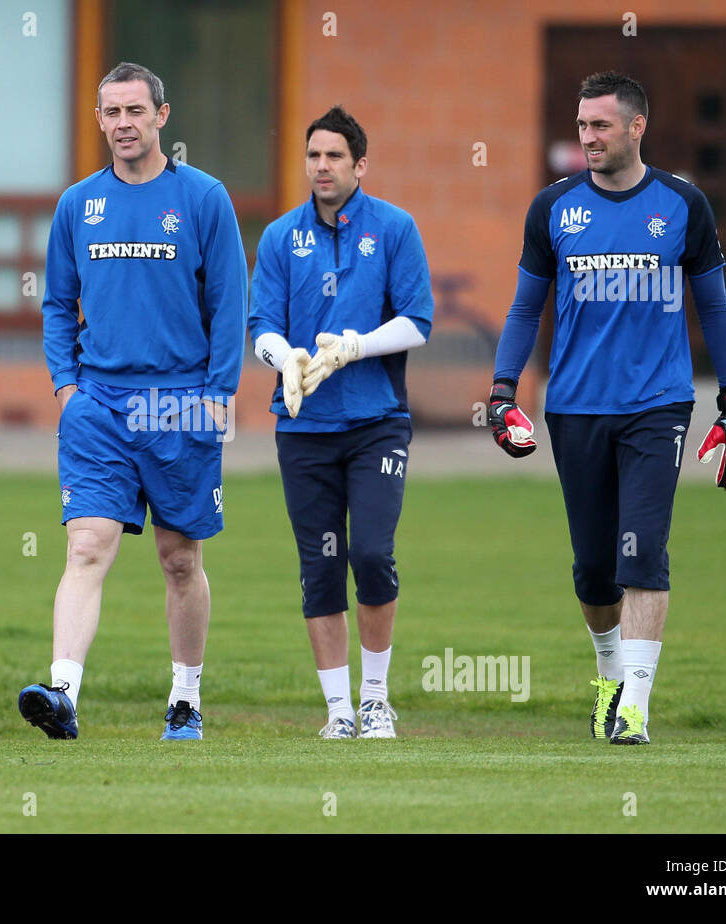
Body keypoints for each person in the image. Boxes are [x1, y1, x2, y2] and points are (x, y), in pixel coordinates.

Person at [488, 72, 726, 745]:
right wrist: (501, 393)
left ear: (637, 127)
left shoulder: (683, 205)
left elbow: (715, 307)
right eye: (581, 126)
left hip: (656, 406)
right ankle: (609, 669)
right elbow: (525, 307)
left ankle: (635, 704)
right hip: (573, 408)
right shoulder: (553, 208)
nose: (588, 138)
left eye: (600, 125)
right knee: (594, 568)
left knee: (643, 552)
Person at [18, 63, 247, 741]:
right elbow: (58, 304)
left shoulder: (203, 199)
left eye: (135, 111)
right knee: (87, 547)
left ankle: (184, 698)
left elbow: (229, 306)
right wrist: (66, 388)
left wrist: (216, 398)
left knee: (179, 558)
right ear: (99, 121)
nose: (123, 124)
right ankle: (62, 694)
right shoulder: (76, 205)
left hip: (182, 402)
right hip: (98, 406)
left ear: (161, 117)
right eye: (111, 112)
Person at [248, 106, 434, 739]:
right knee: (319, 565)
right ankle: (338, 711)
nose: (321, 167)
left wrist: (354, 347)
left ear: (360, 165)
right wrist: (288, 360)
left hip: (376, 420)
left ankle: (377, 697)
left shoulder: (395, 228)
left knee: (371, 553)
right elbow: (261, 327)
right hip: (303, 427)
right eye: (313, 156)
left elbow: (417, 322)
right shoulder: (279, 237)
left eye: (334, 156)